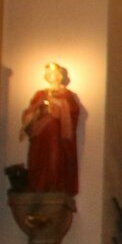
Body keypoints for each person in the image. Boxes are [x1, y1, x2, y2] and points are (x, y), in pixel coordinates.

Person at [19, 61, 81, 194]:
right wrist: (37, 109)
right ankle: (38, 185)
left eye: (54, 73)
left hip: (56, 133)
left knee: (55, 157)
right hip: (41, 134)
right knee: (37, 157)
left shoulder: (67, 95)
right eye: (49, 73)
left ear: (59, 76)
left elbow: (74, 112)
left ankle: (54, 184)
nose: (52, 76)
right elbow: (30, 112)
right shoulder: (40, 94)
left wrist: (59, 105)